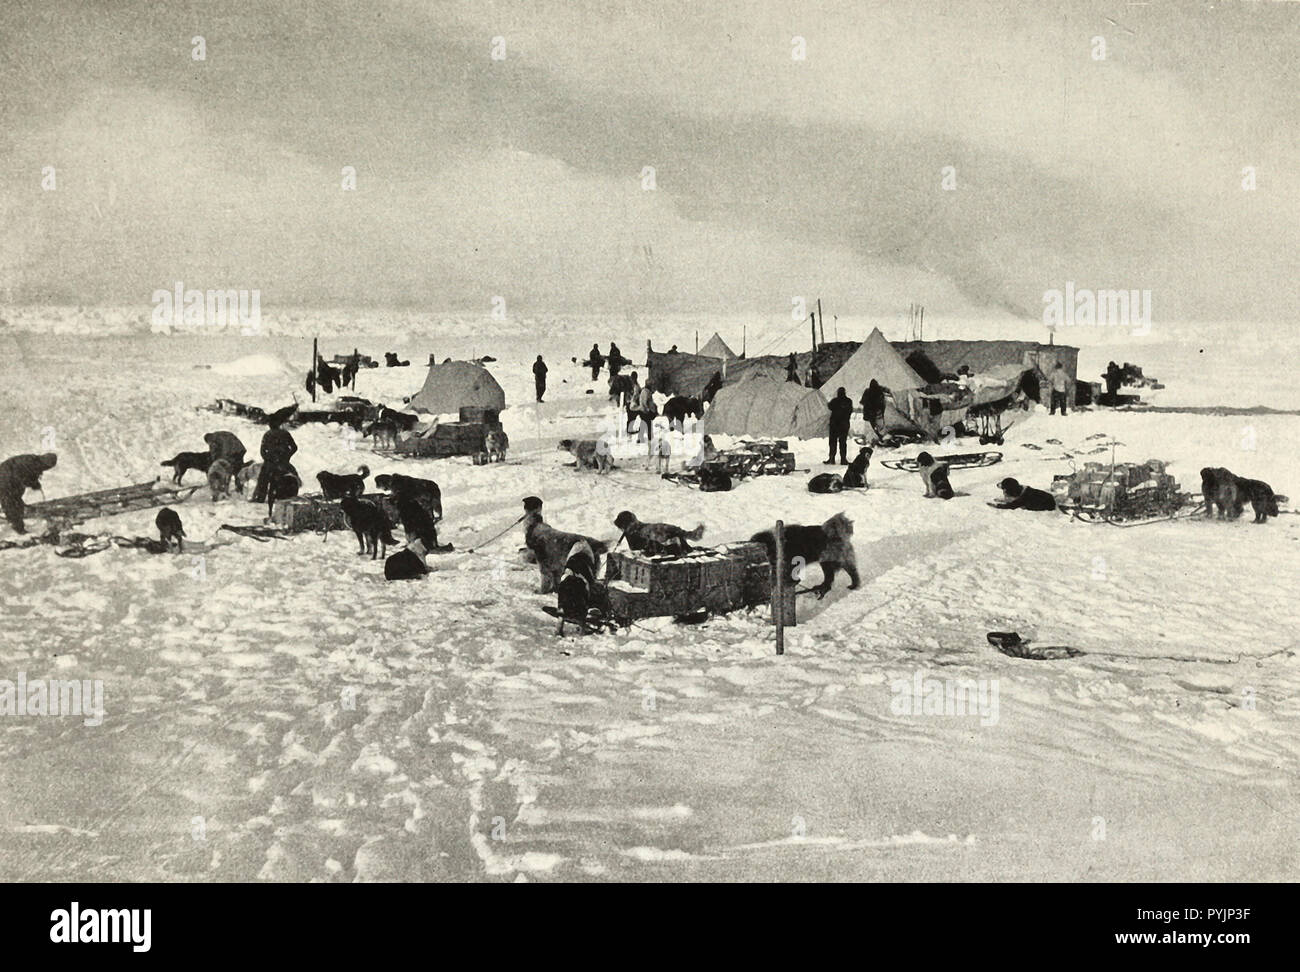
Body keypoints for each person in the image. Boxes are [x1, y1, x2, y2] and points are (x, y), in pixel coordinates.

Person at [0, 452, 57, 534]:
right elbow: (22, 476)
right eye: (48, 466)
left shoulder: (34, 461)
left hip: (8, 478)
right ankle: (17, 526)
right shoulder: (31, 463)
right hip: (5, 479)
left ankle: (15, 516)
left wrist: (34, 482)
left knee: (14, 498)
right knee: (10, 502)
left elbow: (28, 476)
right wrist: (33, 483)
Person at [252, 421, 298, 503]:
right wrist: (287, 457)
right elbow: (294, 447)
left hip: (270, 461)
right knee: (283, 478)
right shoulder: (285, 434)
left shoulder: (268, 434)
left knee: (263, 480)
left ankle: (260, 498)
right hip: (283, 462)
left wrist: (266, 458)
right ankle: (282, 496)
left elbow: (262, 450)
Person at [991, 477, 1056, 511]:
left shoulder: (1023, 498)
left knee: (1026, 504)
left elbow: (1012, 505)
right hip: (1048, 498)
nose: (999, 485)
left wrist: (998, 506)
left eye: (1003, 486)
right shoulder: (1025, 490)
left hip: (1047, 505)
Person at [826, 386, 854, 465]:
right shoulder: (849, 401)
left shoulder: (834, 401)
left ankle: (831, 459)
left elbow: (829, 406)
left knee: (832, 442)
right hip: (844, 425)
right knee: (843, 442)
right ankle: (843, 459)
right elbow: (850, 411)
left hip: (834, 425)